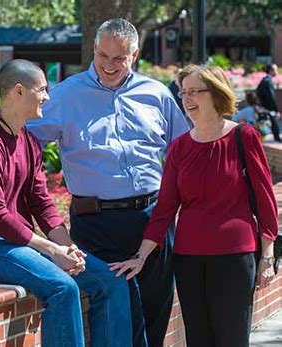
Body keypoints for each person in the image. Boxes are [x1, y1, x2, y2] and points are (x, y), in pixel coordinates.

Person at [0, 59, 132, 347]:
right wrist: (52, 250)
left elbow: (41, 202)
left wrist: (67, 248)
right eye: (42, 89)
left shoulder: (28, 142)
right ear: (18, 91)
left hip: (15, 244)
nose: (48, 96)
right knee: (62, 288)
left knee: (110, 282)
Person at [27, 18, 189, 347]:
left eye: (119, 57)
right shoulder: (65, 95)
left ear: (135, 55)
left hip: (152, 219)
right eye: (103, 55)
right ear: (94, 49)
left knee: (156, 310)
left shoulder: (156, 94)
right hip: (96, 222)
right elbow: (23, 142)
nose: (109, 65)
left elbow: (184, 151)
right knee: (117, 315)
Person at [110, 64, 278, 347]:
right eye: (183, 92)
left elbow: (265, 200)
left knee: (232, 339)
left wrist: (268, 256)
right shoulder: (179, 147)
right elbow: (164, 209)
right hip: (188, 258)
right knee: (198, 339)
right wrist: (141, 255)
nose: (186, 99)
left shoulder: (243, 137)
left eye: (194, 92)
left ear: (215, 93)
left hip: (234, 258)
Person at [256, 63, 281, 142]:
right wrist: (276, 110)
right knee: (273, 123)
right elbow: (271, 97)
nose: (277, 71)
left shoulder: (264, 80)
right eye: (275, 70)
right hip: (268, 107)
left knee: (266, 124)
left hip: (263, 107)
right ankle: (277, 139)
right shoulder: (267, 81)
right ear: (270, 71)